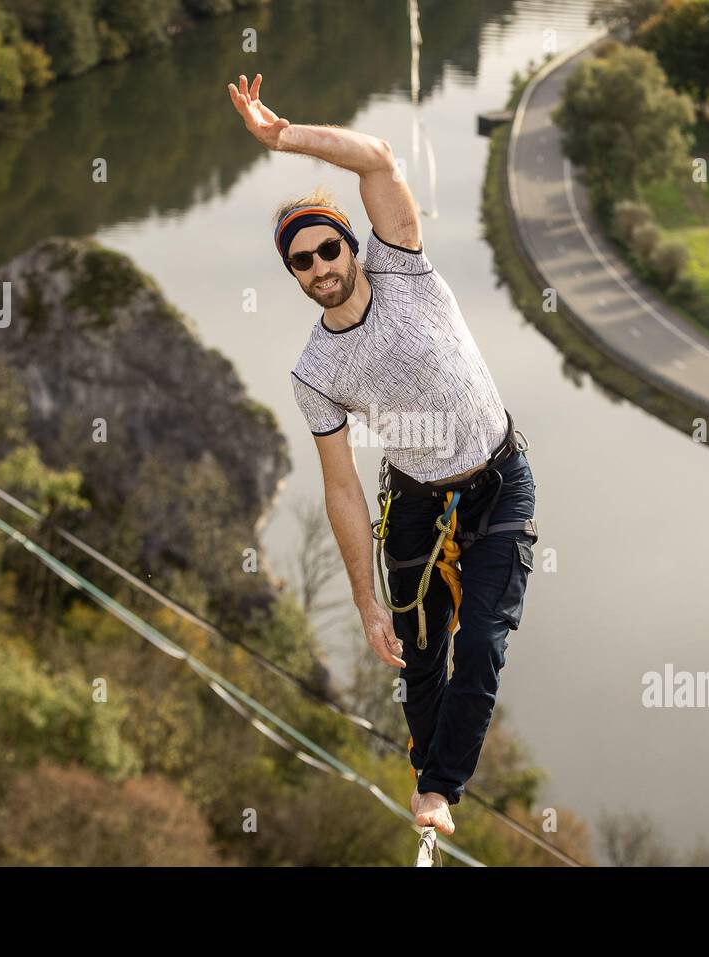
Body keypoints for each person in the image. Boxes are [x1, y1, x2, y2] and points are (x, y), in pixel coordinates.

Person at [227, 73, 537, 836]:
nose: (321, 266)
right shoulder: (314, 372)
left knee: (484, 645)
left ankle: (443, 786)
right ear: (295, 275)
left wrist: (282, 138)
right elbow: (340, 491)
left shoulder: (400, 264)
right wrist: (365, 600)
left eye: (328, 247)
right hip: (417, 504)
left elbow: (377, 160)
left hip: (497, 480)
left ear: (349, 244)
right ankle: (424, 780)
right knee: (419, 660)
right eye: (302, 261)